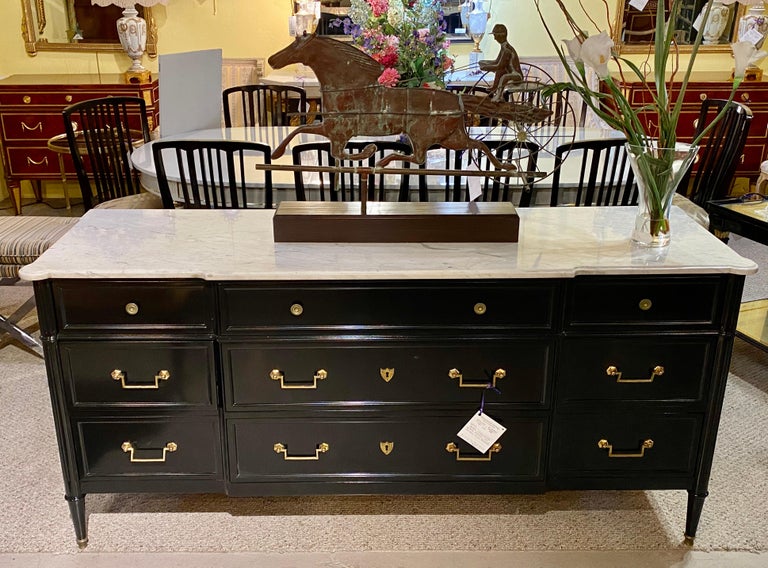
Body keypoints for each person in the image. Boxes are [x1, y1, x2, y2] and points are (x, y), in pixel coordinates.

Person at [479, 24, 524, 100]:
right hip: (509, 72)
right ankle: (495, 87)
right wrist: (483, 62)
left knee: (504, 77)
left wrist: (486, 67)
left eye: (495, 35)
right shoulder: (504, 47)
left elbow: (499, 66)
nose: (494, 38)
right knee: (500, 72)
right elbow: (497, 61)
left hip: (516, 76)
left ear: (500, 36)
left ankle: (499, 96)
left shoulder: (507, 50)